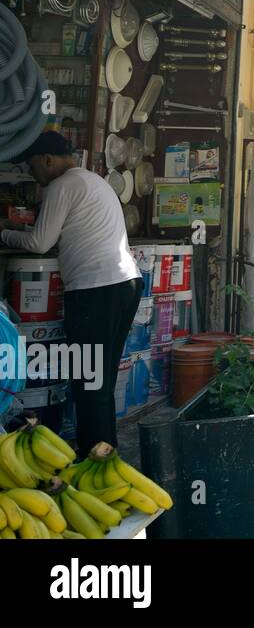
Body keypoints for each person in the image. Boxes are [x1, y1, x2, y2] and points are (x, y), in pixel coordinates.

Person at [1, 132, 141, 456]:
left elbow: (39, 243)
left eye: (33, 166)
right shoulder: (92, 181)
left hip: (97, 291)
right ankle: (106, 452)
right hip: (125, 286)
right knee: (100, 379)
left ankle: (95, 456)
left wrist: (5, 231)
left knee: (89, 379)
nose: (33, 175)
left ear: (47, 160)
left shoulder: (61, 186)